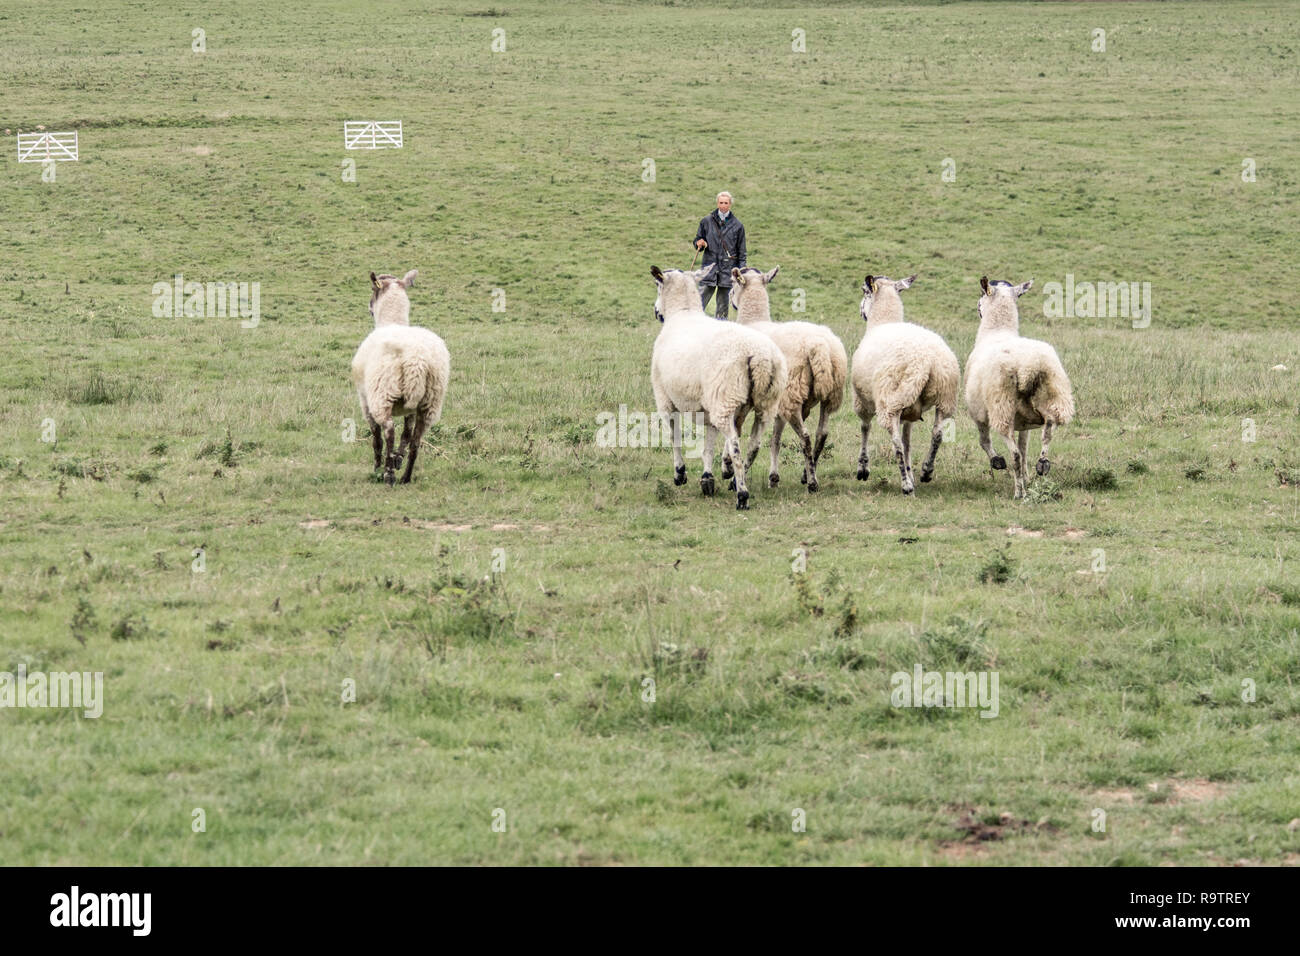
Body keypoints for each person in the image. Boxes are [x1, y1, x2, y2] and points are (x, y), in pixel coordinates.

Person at [693, 191, 746, 319]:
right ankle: (691, 325)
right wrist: (699, 243)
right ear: (717, 203)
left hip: (727, 271)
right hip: (709, 269)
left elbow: (742, 252)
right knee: (697, 305)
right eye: (721, 202)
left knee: (722, 310)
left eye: (726, 203)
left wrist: (742, 272)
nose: (723, 205)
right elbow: (698, 240)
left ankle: (721, 329)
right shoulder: (706, 221)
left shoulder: (738, 225)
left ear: (730, 204)